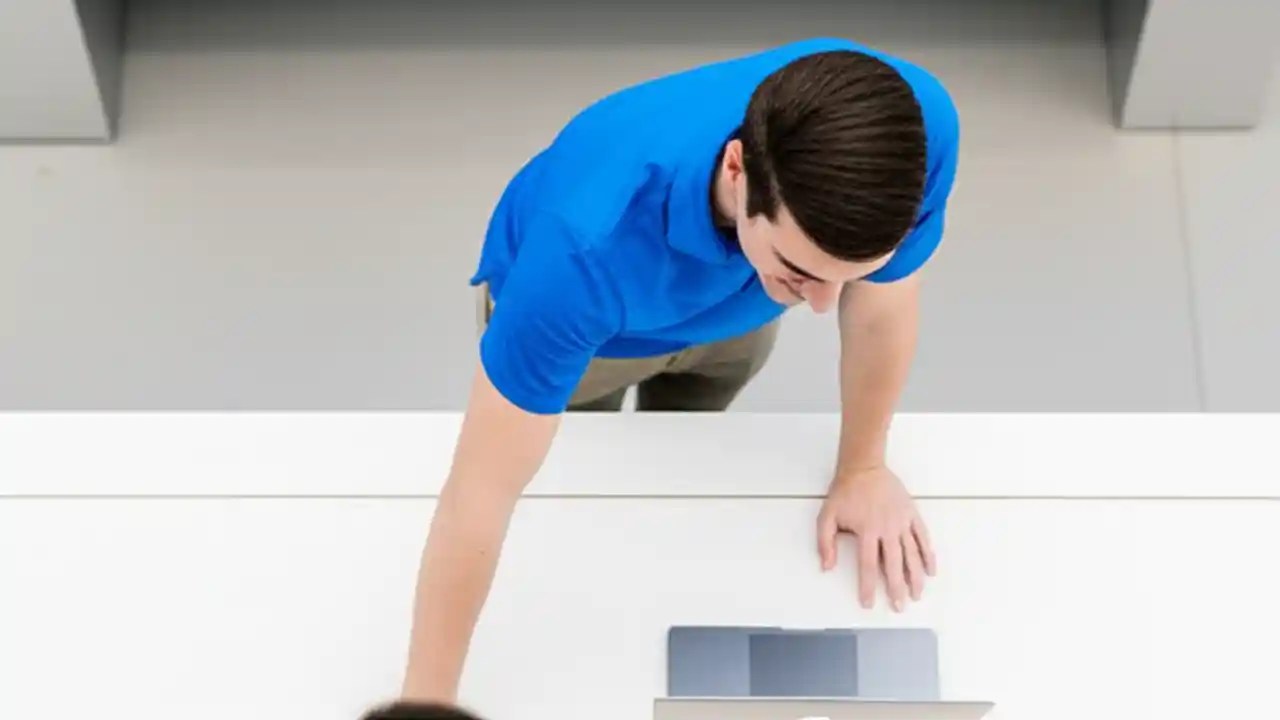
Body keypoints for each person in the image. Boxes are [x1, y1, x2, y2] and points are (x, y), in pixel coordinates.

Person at [399, 37, 959, 705]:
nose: (822, 307)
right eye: (803, 271)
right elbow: (479, 490)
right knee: (575, 493)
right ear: (736, 170)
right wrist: (425, 707)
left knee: (678, 461)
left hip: (733, 324)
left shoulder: (909, 131)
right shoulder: (579, 248)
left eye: (848, 276)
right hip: (595, 347)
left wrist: (863, 467)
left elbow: (879, 308)